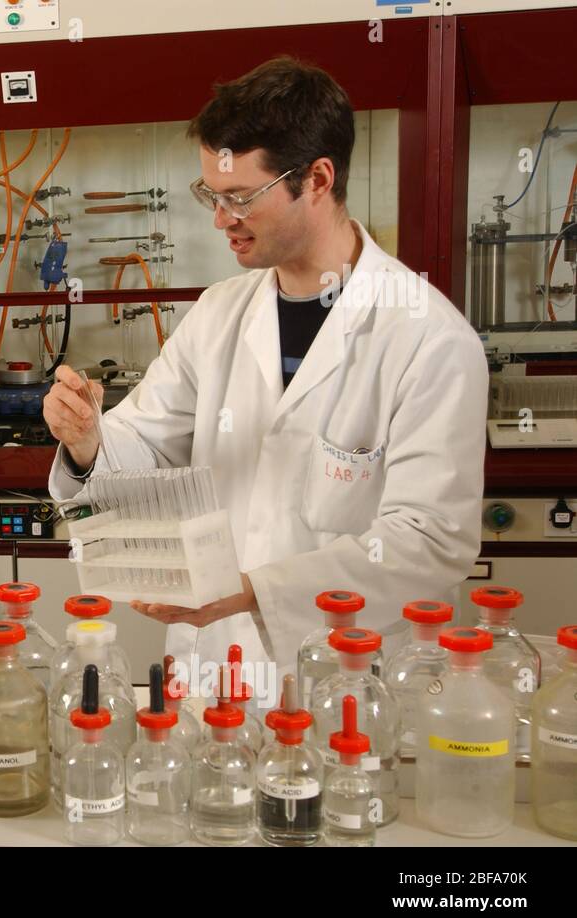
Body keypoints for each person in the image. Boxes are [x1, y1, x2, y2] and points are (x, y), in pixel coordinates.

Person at [43, 57, 487, 681]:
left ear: (317, 179)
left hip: (348, 682)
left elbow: (430, 540)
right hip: (211, 674)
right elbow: (142, 445)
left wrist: (257, 590)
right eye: (211, 196)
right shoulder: (218, 317)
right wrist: (89, 440)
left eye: (240, 197)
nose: (220, 219)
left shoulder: (427, 339)